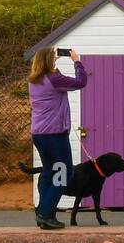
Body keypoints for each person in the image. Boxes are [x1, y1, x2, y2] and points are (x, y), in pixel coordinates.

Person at [27, 47, 88, 230]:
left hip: (39, 134)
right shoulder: (54, 80)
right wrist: (76, 60)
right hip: (55, 135)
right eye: (53, 58)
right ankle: (45, 213)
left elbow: (56, 80)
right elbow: (80, 82)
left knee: (49, 171)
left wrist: (54, 65)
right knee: (63, 173)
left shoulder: (34, 80)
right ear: (49, 61)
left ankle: (45, 214)